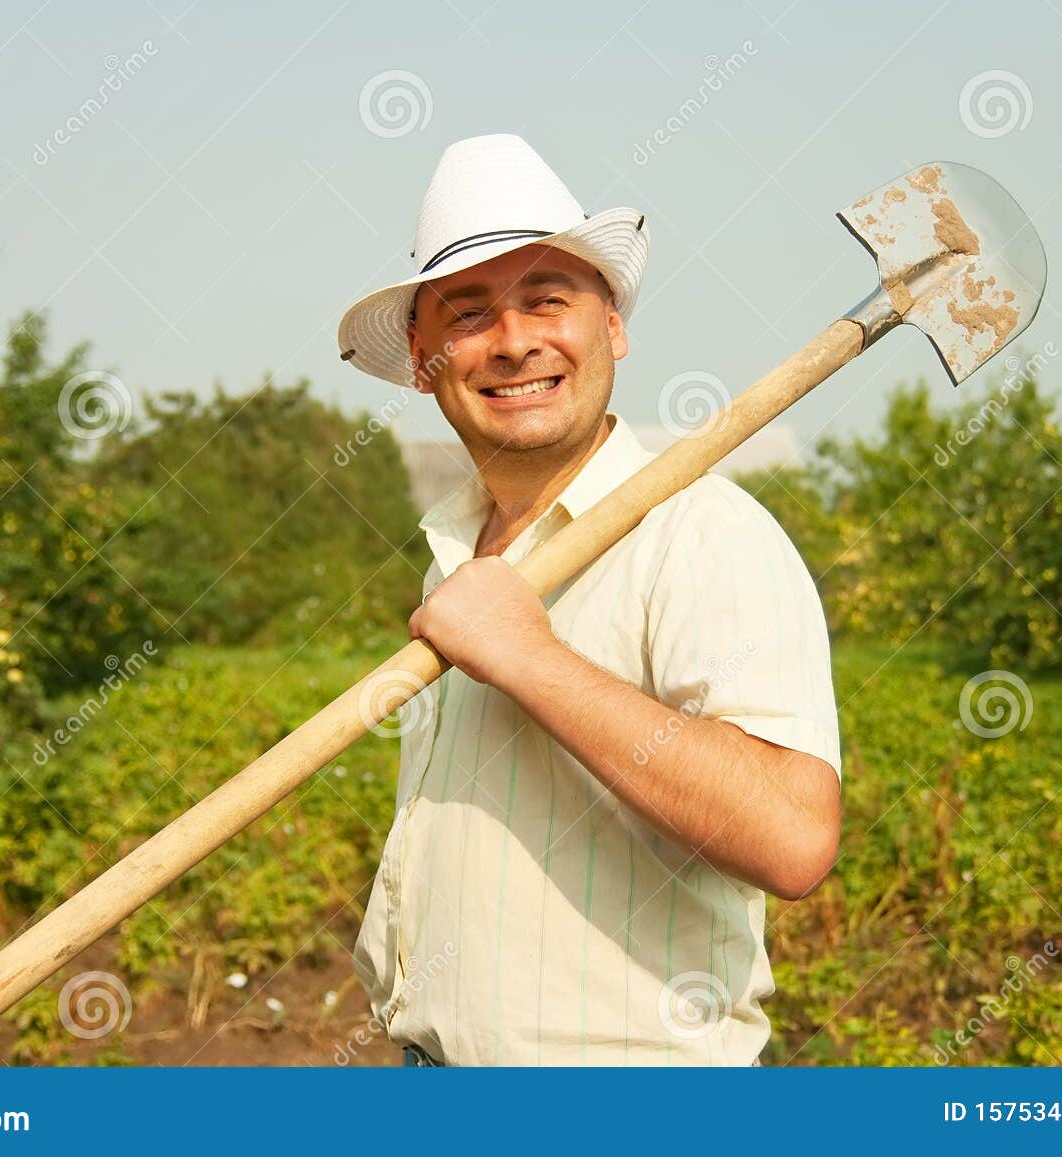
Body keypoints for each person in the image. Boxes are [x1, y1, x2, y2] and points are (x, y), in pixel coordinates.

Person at [338, 134, 842, 1066]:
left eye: (547, 299)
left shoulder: (702, 534)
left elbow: (792, 833)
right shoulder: (458, 554)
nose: (515, 339)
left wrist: (531, 659)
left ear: (612, 326)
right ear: (422, 358)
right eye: (469, 312)